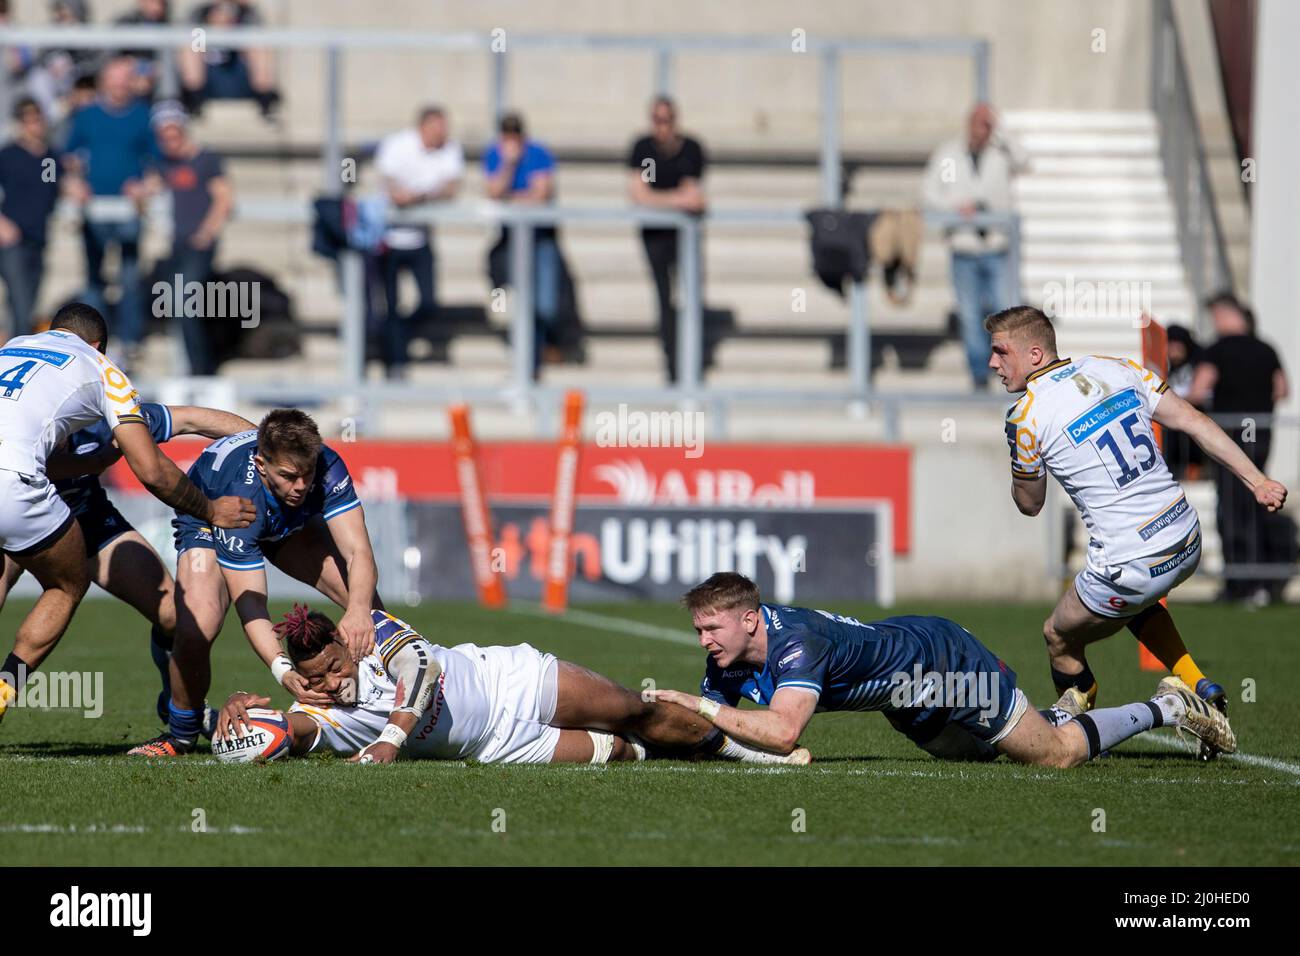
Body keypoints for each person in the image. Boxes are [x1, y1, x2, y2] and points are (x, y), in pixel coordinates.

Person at [986, 306, 1287, 756]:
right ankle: (1198, 684)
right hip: (1186, 538)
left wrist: (1019, 461)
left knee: (1056, 635)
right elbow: (1194, 421)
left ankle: (1078, 712)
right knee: (1135, 603)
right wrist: (1257, 481)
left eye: (1000, 352)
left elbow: (1030, 505)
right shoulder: (1117, 367)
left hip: (1130, 563)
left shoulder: (1025, 416)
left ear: (1033, 354)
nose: (992, 363)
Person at [648, 573, 1233, 767]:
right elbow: (722, 735)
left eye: (711, 629)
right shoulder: (726, 657)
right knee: (978, 757)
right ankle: (1051, 714)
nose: (703, 641)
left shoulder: (796, 642)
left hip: (943, 664)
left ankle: (1171, 704)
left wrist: (697, 706)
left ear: (750, 620)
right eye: (699, 630)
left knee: (1051, 755)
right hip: (903, 695)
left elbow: (780, 733)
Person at [0, 302, 254, 728]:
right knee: (55, 583)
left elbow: (190, 419)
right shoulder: (101, 372)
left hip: (84, 518)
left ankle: (173, 703)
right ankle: (6, 687)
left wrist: (267, 439)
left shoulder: (16, 349)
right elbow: (150, 470)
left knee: (172, 613)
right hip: (24, 501)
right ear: (100, 347)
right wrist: (210, 510)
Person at [216, 605, 810, 766]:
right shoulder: (320, 708)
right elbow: (285, 734)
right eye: (317, 681)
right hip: (496, 746)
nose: (334, 684)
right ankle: (676, 749)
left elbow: (420, 673)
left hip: (510, 683)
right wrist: (239, 718)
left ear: (343, 648)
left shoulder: (371, 630)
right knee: (627, 752)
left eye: (335, 669)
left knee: (629, 708)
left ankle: (743, 752)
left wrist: (391, 739)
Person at [128, 409, 382, 757]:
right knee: (197, 626)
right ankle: (181, 736)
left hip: (284, 524)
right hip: (214, 517)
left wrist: (357, 611)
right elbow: (251, 604)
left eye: (307, 475)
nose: (301, 486)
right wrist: (283, 670)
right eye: (289, 476)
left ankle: (383, 700)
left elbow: (358, 553)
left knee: (369, 606)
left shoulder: (327, 466)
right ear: (262, 465)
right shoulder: (241, 497)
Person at [1189, 293, 1291, 604]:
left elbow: (1197, 390)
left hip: (1229, 440)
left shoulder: (1217, 350)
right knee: (1257, 505)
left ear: (1223, 315)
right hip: (1259, 437)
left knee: (1231, 510)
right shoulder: (1266, 348)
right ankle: (1260, 583)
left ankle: (1239, 583)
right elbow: (1282, 390)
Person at [62, 57, 161, 367]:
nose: (119, 87)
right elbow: (61, 159)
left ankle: (131, 341)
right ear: (103, 82)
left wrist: (145, 186)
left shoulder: (143, 115)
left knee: (130, 279)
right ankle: (93, 342)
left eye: (124, 80)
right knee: (94, 280)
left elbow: (158, 164)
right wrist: (73, 181)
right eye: (114, 80)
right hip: (94, 210)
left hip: (129, 211)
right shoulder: (86, 115)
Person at [922, 103, 1028, 389]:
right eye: (980, 123)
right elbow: (929, 193)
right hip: (964, 246)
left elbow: (1025, 161)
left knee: (1003, 313)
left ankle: (1009, 371)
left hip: (996, 245)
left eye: (988, 123)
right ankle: (979, 376)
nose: (984, 129)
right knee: (969, 315)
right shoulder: (948, 154)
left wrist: (1002, 131)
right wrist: (956, 207)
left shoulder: (1001, 151)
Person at [373, 105, 463, 378]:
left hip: (419, 239)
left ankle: (398, 338)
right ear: (423, 127)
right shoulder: (398, 145)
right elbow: (388, 183)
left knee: (428, 303)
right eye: (437, 128)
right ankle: (394, 360)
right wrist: (403, 195)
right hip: (389, 239)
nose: (442, 134)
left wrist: (418, 197)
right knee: (390, 305)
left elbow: (451, 188)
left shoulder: (449, 149)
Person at [626, 96, 706, 383]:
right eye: (657, 120)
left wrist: (660, 200)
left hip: (685, 237)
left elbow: (694, 197)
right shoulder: (645, 150)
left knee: (690, 296)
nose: (663, 127)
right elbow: (640, 195)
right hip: (655, 237)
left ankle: (690, 364)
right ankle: (674, 367)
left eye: (667, 120)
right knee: (665, 299)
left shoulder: (690, 150)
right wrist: (675, 200)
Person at [152, 100, 233, 374]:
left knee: (184, 303)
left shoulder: (205, 160)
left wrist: (207, 232)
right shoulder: (164, 163)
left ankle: (201, 369)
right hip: (177, 245)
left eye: (174, 135)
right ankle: (197, 365)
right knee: (182, 306)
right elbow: (150, 188)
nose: (170, 143)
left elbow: (223, 197)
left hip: (199, 246)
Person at [484, 111, 560, 373]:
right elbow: (493, 193)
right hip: (509, 239)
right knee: (506, 295)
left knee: (544, 305)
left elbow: (540, 196)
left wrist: (510, 198)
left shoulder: (539, 153)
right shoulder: (496, 155)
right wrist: (508, 164)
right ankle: (525, 361)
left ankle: (539, 349)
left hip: (540, 239)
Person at [0, 97, 62, 341]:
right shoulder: (8, 155)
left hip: (39, 237)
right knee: (21, 304)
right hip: (13, 241)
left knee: (30, 303)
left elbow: (54, 187)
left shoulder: (50, 157)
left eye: (37, 118)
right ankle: (13, 357)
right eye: (27, 120)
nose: (34, 125)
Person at [178, 0, 280, 119]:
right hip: (206, 80)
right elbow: (194, 44)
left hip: (240, 76)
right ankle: (193, 102)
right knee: (191, 47)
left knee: (258, 44)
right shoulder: (199, 13)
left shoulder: (247, 14)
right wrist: (212, 29)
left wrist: (233, 29)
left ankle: (266, 101)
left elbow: (254, 42)